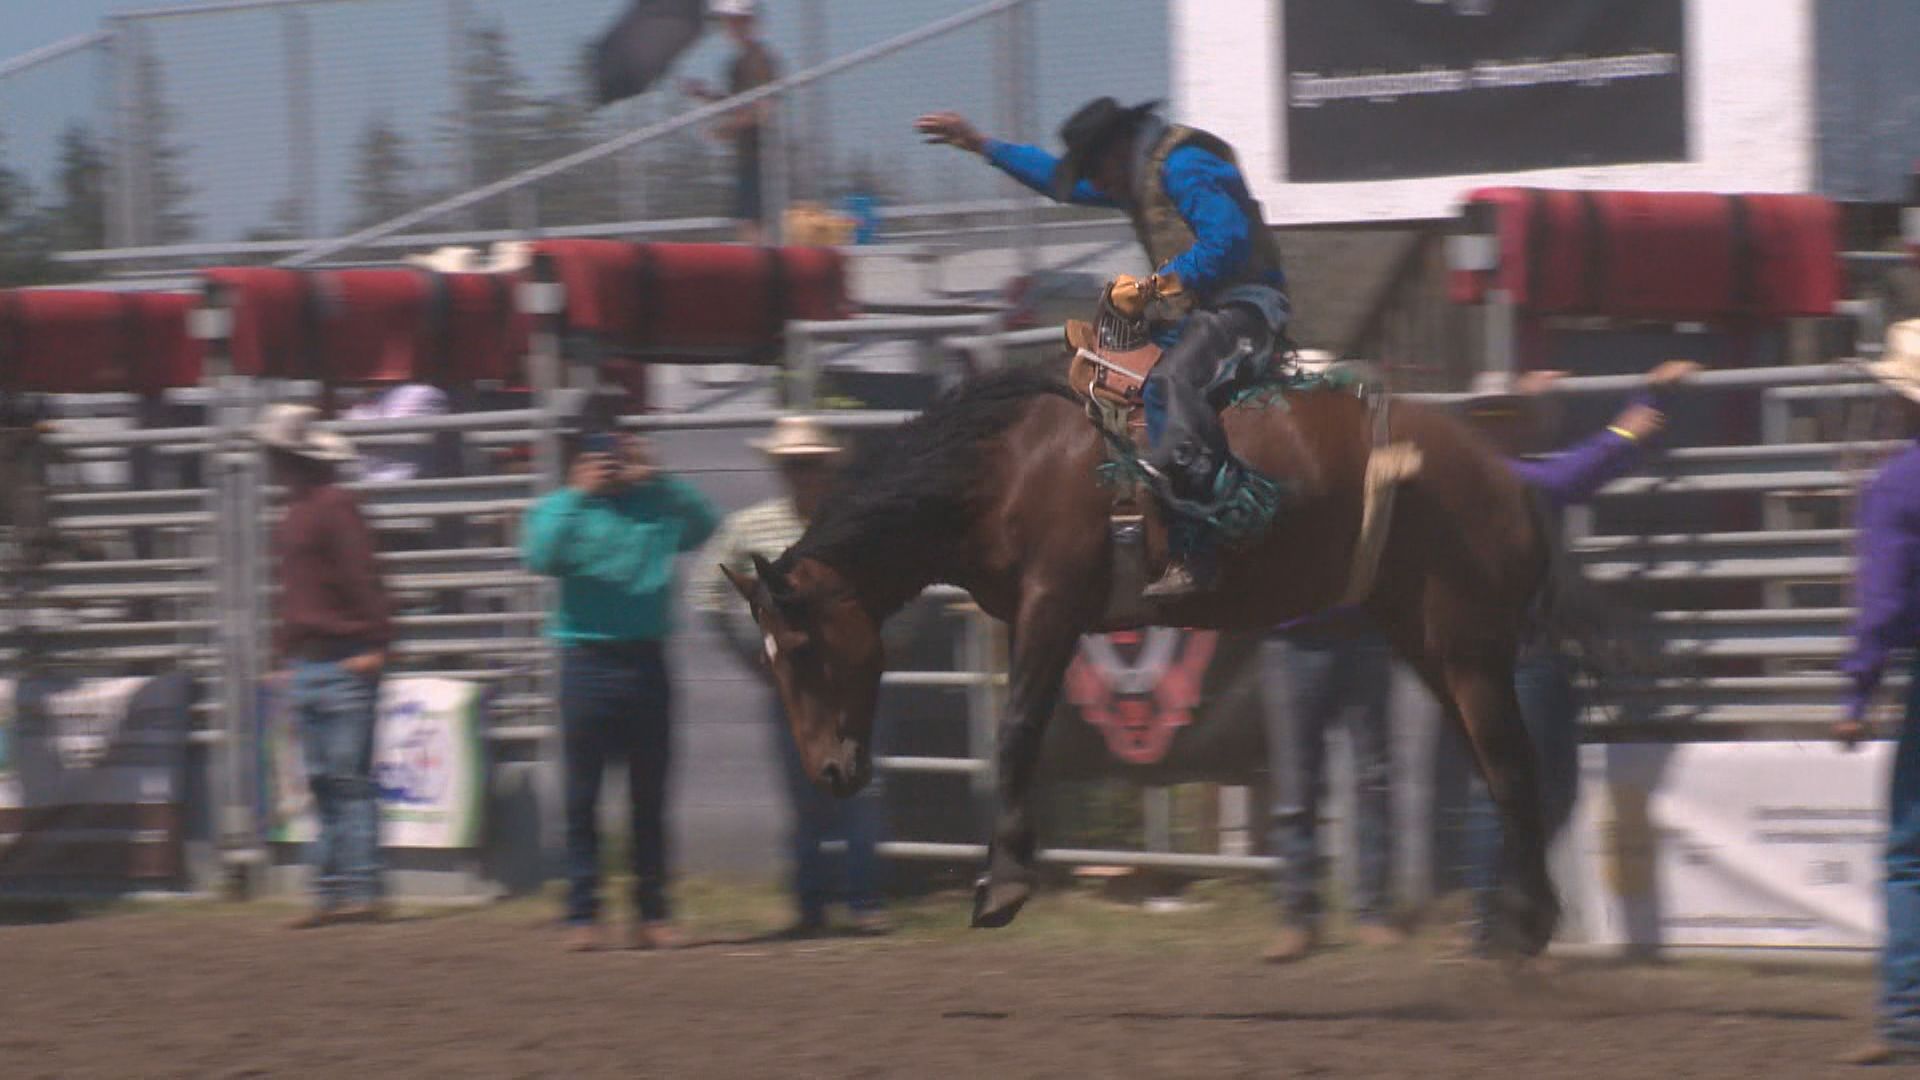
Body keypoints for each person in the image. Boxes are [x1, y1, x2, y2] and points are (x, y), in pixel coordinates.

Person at [916, 97, 1290, 599]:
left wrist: (1153, 289)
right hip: (1197, 312)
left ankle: (1202, 538)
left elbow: (1227, 242)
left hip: (1246, 306)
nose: (1099, 186)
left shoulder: (1185, 166)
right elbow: (1055, 181)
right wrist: (982, 144)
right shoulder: (1137, 174)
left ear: (1117, 153)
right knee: (1100, 373)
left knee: (1169, 382)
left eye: (1096, 170)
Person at [1455, 358, 1699, 956]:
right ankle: (1494, 924)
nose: (1503, 427)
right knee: (1526, 788)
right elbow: (1578, 472)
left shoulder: (1470, 478)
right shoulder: (1504, 482)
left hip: (1509, 652)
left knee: (1535, 788)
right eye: (1495, 417)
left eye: (1508, 415)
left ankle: (1498, 920)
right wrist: (1640, 413)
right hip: (1517, 656)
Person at [691, 416, 890, 937]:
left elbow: (894, 586)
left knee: (858, 787)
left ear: (827, 467)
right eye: (795, 466)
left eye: (812, 465)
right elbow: (705, 593)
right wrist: (752, 653)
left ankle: (862, 901)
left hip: (847, 682)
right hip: (800, 685)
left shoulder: (852, 526)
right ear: (782, 471)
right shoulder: (750, 527)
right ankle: (815, 905)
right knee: (806, 793)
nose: (804, 475)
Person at [523, 427, 718, 952]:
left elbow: (706, 527)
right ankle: (582, 913)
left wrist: (662, 478)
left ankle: (652, 913)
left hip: (645, 658)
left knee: (648, 797)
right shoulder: (560, 508)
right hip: (585, 659)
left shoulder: (655, 503)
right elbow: (539, 556)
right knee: (582, 796)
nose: (609, 467)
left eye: (615, 458)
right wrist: (575, 495)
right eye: (598, 458)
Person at [257, 404, 393, 929]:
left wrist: (376, 642)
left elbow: (363, 576)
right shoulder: (308, 510)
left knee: (342, 778)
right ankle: (337, 889)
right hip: (316, 660)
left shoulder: (328, 508)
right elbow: (317, 589)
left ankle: (350, 888)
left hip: (336, 658)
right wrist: (284, 656)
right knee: (328, 779)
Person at [1835, 321, 1920, 1068]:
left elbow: (1885, 604)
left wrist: (1857, 691)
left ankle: (1905, 1016)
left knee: (1910, 855)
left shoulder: (1897, 484)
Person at [1261, 618, 1403, 963]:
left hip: (1363, 632)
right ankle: (1299, 918)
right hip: (1291, 637)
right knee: (1295, 786)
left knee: (1373, 778)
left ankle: (1372, 911)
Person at [684, 0, 779, 244]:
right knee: (746, 221)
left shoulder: (760, 60)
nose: (729, 27)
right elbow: (738, 105)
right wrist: (706, 96)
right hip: (747, 157)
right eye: (727, 21)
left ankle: (764, 275)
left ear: (748, 21)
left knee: (755, 222)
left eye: (734, 20)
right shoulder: (738, 63)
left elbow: (763, 110)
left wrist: (727, 129)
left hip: (762, 158)